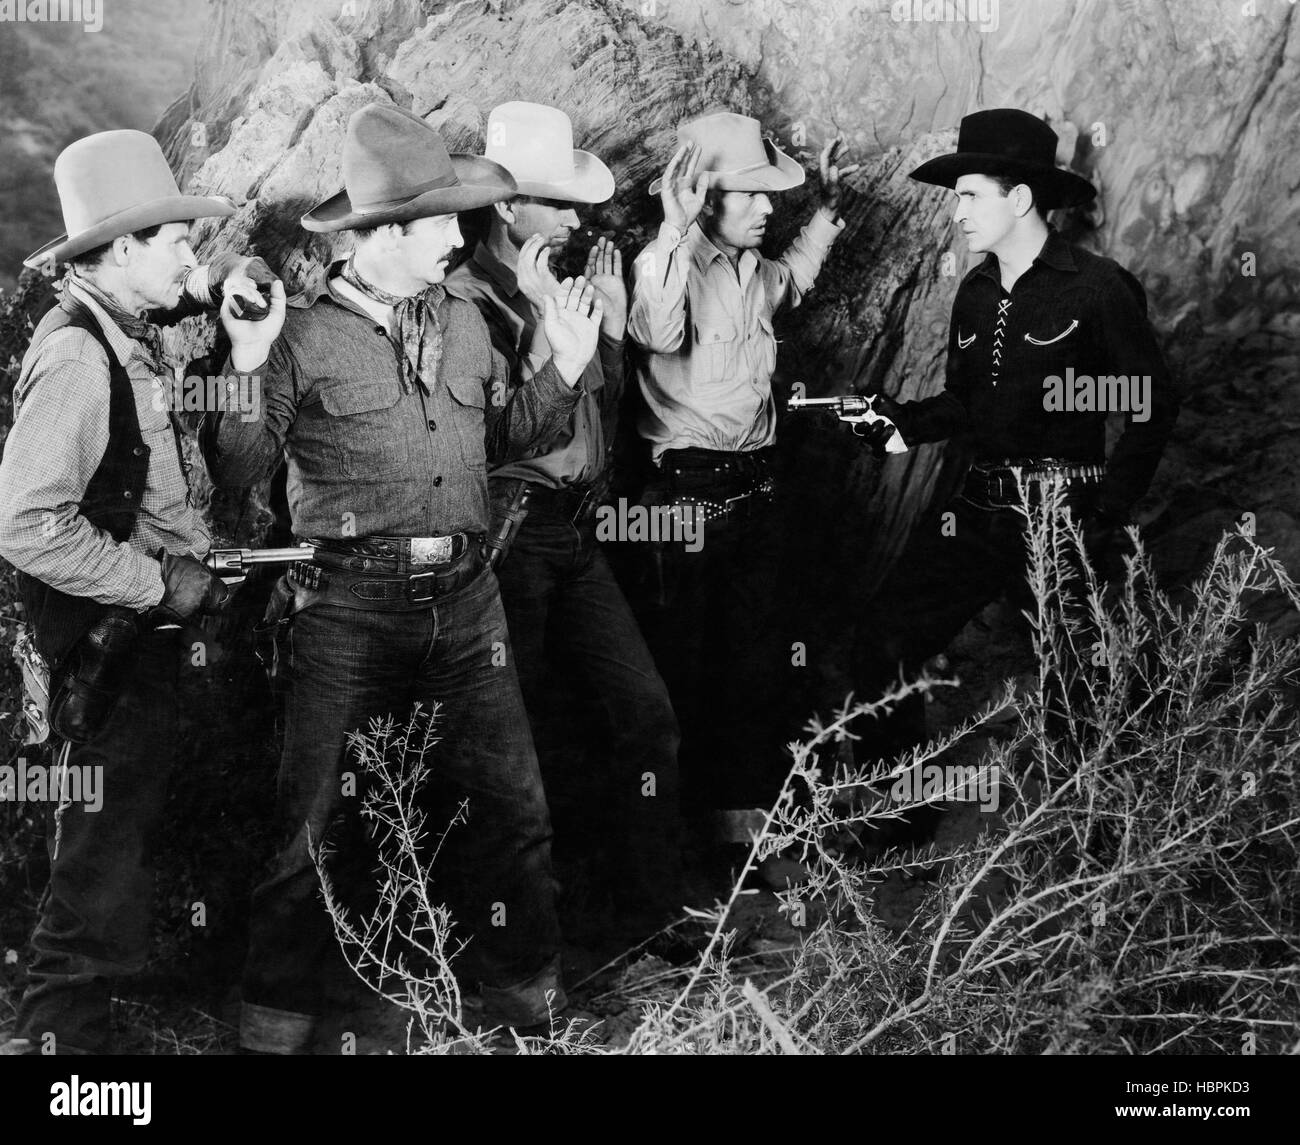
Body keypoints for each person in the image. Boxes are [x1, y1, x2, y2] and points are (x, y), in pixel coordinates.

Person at [201, 102, 604, 1053]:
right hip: (346, 606)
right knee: (311, 831)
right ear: (381, 235)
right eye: (442, 224)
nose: (460, 241)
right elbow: (238, 474)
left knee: (516, 807)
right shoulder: (293, 337)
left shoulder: (465, 320)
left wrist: (566, 365)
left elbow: (508, 442)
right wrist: (248, 362)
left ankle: (529, 1008)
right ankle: (275, 1027)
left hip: (469, 603)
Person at [0, 129, 268, 1055]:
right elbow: (26, 523)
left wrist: (228, 309)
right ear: (121, 252)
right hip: (109, 641)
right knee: (101, 858)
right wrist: (161, 580)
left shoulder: (130, 333)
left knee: (128, 837)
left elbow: (164, 475)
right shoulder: (79, 357)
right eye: (177, 243)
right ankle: (62, 1053)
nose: (192, 257)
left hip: (140, 633)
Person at [854, 108, 1180, 748]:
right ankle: (894, 825)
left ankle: (1086, 832)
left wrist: (1107, 507)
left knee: (1076, 687)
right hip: (978, 509)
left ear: (1022, 198)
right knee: (884, 638)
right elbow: (966, 400)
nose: (958, 213)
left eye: (970, 196)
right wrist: (900, 425)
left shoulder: (1098, 288)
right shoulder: (974, 290)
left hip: (1063, 517)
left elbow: (1151, 402)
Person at [445, 101, 682, 936]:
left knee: (643, 710)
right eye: (557, 203)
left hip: (578, 529)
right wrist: (554, 335)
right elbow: (503, 433)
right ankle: (521, 943)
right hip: (511, 534)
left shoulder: (565, 282)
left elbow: (597, 418)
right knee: (523, 736)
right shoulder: (465, 301)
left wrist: (610, 339)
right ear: (508, 208)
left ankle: (649, 912)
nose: (576, 221)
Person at [626, 110, 846, 864]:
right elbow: (652, 329)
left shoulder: (755, 272)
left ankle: (741, 837)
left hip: (755, 497)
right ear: (703, 196)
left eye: (768, 195)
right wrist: (674, 229)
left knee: (752, 672)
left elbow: (795, 279)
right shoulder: (668, 266)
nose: (765, 207)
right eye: (749, 195)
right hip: (685, 505)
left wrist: (826, 212)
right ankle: (668, 852)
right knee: (680, 674)